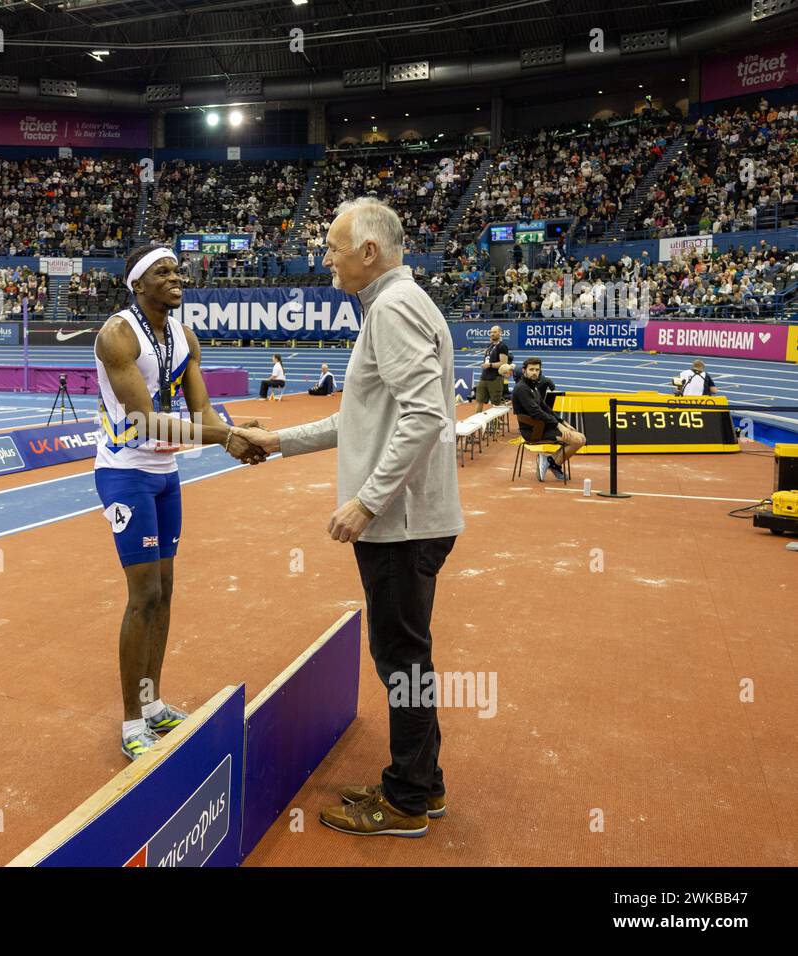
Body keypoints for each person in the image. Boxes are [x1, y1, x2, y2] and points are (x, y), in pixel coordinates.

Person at [236, 198, 464, 838]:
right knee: (407, 658)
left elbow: (424, 417)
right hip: (412, 520)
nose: (325, 258)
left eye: (334, 246)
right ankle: (423, 785)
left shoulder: (391, 310)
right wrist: (278, 442)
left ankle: (407, 801)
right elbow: (360, 421)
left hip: (402, 525)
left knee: (404, 663)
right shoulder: (398, 305)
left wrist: (369, 500)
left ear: (369, 251)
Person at [94, 243, 266, 760]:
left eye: (177, 269)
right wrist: (223, 438)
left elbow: (203, 406)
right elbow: (144, 421)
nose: (176, 277)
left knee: (165, 593)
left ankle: (153, 706)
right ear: (138, 284)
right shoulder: (117, 335)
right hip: (125, 473)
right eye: (163, 272)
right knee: (143, 595)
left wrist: (236, 433)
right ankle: (130, 724)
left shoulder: (183, 336)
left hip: (165, 472)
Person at [512, 357, 585, 480]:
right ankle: (554, 464)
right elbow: (536, 413)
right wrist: (558, 425)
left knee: (580, 438)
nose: (534, 372)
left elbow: (545, 408)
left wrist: (563, 422)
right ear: (524, 371)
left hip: (542, 426)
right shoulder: (521, 389)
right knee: (578, 440)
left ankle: (549, 461)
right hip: (533, 431)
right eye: (531, 370)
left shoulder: (533, 387)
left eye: (537, 370)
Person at [474, 326, 510, 412]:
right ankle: (477, 421)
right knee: (479, 400)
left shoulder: (502, 346)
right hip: (484, 377)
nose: (492, 334)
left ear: (500, 333)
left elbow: (503, 363)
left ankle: (497, 422)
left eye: (494, 332)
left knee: (496, 403)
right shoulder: (489, 346)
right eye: (491, 332)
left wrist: (490, 365)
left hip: (495, 378)